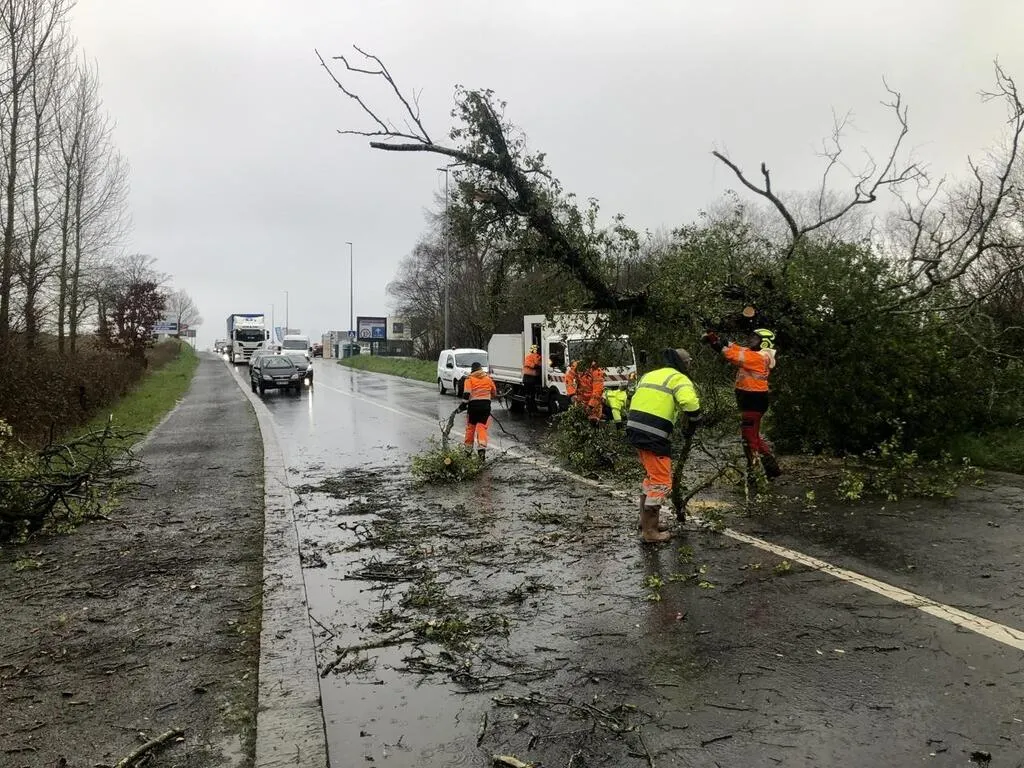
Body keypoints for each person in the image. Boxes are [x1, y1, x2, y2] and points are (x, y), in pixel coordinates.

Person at [625, 348, 703, 543]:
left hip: (634, 427)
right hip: (653, 432)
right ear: (686, 363)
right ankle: (650, 533)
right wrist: (693, 423)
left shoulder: (651, 374)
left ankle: (645, 523)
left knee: (651, 478)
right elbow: (690, 404)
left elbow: (633, 396)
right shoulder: (679, 379)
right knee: (661, 482)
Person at [701, 328, 781, 480]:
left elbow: (731, 355)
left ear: (764, 342)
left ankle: (755, 474)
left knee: (749, 440)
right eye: (751, 336)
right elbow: (735, 348)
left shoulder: (758, 357)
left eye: (755, 338)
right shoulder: (755, 353)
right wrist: (716, 338)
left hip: (753, 402)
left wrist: (715, 343)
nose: (751, 340)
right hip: (751, 401)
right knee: (753, 437)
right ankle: (771, 468)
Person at [463, 361, 498, 460]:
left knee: (471, 427)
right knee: (482, 427)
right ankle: (481, 449)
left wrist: (462, 405)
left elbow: (466, 394)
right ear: (480, 369)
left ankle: (468, 451)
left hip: (473, 407)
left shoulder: (469, 379)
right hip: (485, 407)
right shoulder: (488, 379)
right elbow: (494, 392)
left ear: (472, 370)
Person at [575, 359, 605, 424]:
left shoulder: (596, 372)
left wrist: (590, 406)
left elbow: (597, 391)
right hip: (582, 406)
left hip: (593, 408)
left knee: (593, 425)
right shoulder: (580, 371)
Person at [522, 344, 542, 412]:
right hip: (530, 378)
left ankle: (531, 408)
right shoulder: (534, 356)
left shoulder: (531, 356)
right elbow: (535, 364)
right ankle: (530, 408)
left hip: (530, 378)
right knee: (530, 394)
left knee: (530, 394)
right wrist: (537, 362)